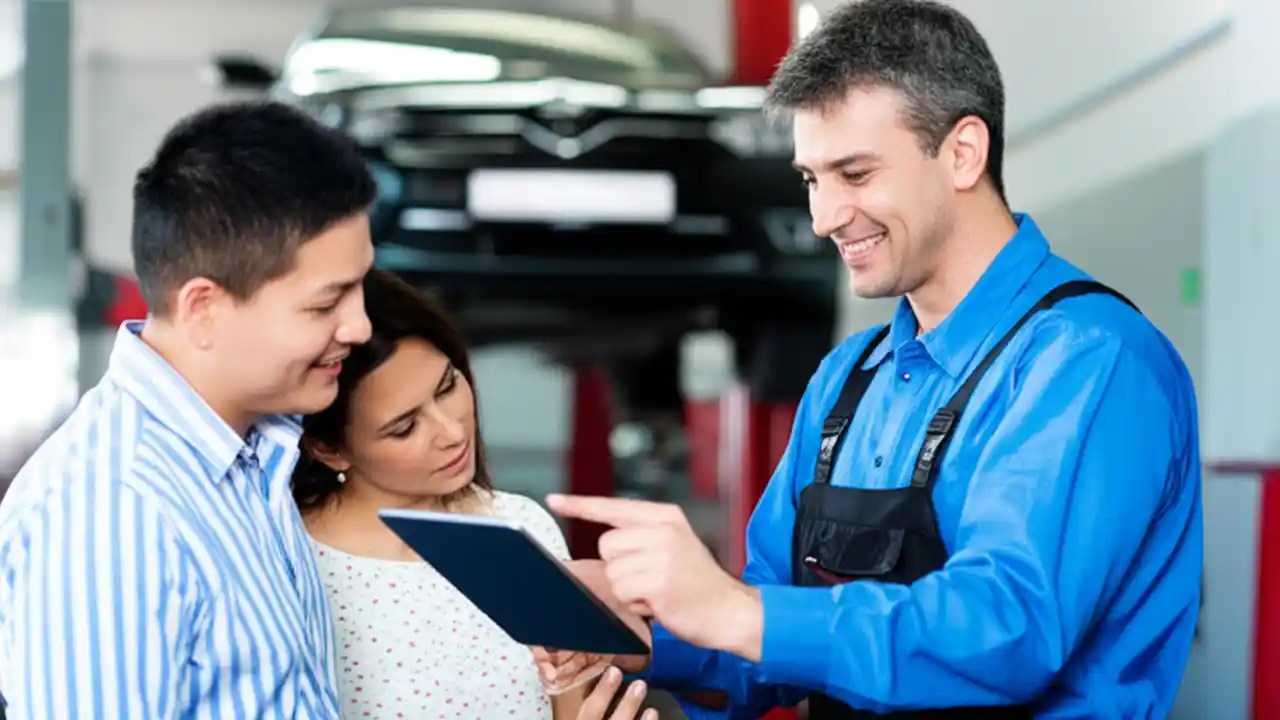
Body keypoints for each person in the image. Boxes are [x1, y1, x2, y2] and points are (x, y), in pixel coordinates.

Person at [537, 1, 1203, 718]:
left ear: (963, 153)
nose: (824, 216)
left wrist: (738, 613)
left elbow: (1008, 629)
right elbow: (770, 640)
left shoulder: (1087, 362)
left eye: (854, 174)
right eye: (811, 180)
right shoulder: (848, 380)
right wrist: (637, 629)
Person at [0, 101, 377, 717]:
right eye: (326, 303)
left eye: (360, 287)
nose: (359, 326)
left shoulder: (254, 456)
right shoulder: (114, 513)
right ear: (203, 308)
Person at [291, 268, 658, 720]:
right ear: (329, 450)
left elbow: (570, 702)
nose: (451, 431)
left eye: (447, 386)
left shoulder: (521, 525)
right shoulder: (294, 559)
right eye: (404, 427)